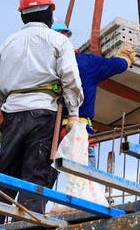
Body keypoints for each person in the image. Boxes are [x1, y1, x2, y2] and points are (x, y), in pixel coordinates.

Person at [0, 0, 83, 224]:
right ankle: (29, 226)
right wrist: (73, 114)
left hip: (12, 115)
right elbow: (70, 79)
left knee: (5, 172)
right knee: (36, 172)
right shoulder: (58, 42)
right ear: (50, 13)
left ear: (22, 14)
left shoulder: (8, 44)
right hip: (44, 113)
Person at [52, 21, 135, 166]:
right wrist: (125, 59)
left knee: (43, 180)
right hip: (78, 132)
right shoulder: (85, 63)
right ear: (66, 38)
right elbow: (116, 65)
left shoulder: (40, 66)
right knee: (86, 181)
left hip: (47, 134)